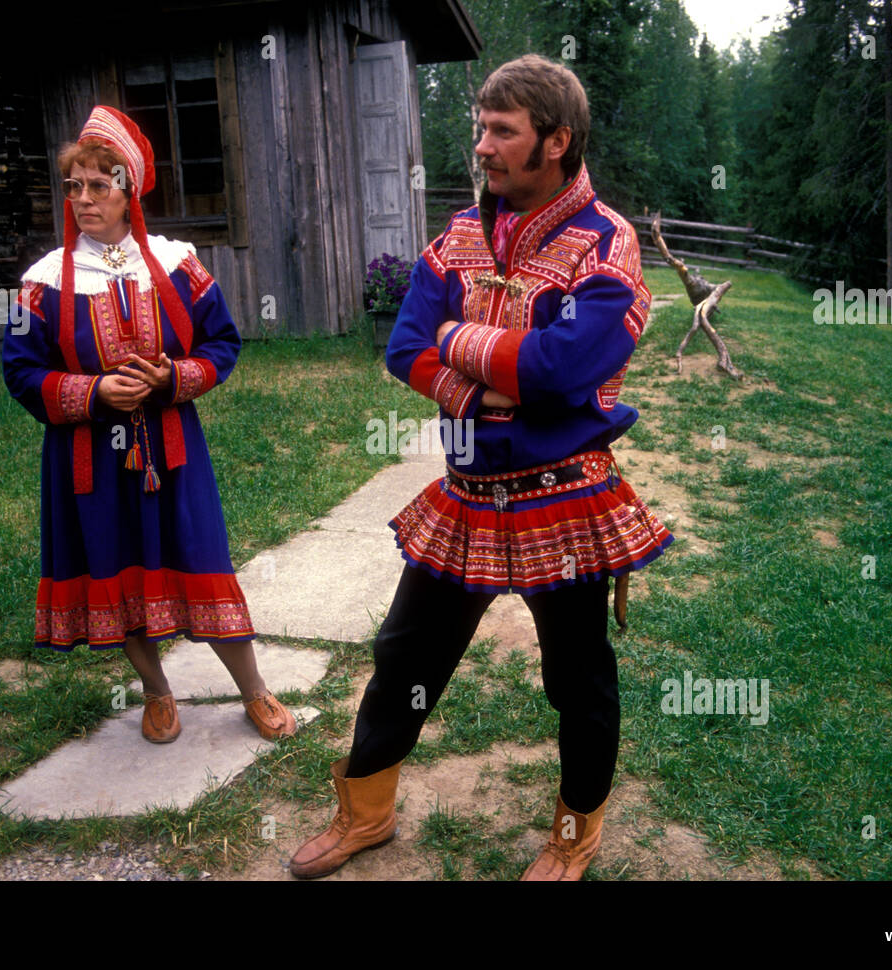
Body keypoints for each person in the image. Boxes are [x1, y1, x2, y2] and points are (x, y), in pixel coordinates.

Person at [290, 55, 673, 880]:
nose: (482, 146)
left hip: (565, 500)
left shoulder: (607, 246)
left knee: (578, 678)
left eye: (502, 131)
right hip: (465, 496)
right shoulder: (459, 237)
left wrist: (462, 346)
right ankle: (365, 813)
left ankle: (575, 838)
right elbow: (402, 347)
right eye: (479, 128)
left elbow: (560, 372)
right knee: (405, 661)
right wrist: (485, 389)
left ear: (556, 141)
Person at [2, 105, 295, 745]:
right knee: (116, 566)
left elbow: (222, 343)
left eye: (98, 185)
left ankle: (254, 689)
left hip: (172, 448)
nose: (82, 199)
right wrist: (95, 390)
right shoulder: (43, 282)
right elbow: (20, 371)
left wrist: (173, 379)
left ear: (128, 188)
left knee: (202, 558)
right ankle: (158, 694)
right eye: (73, 186)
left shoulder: (178, 266)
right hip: (89, 460)